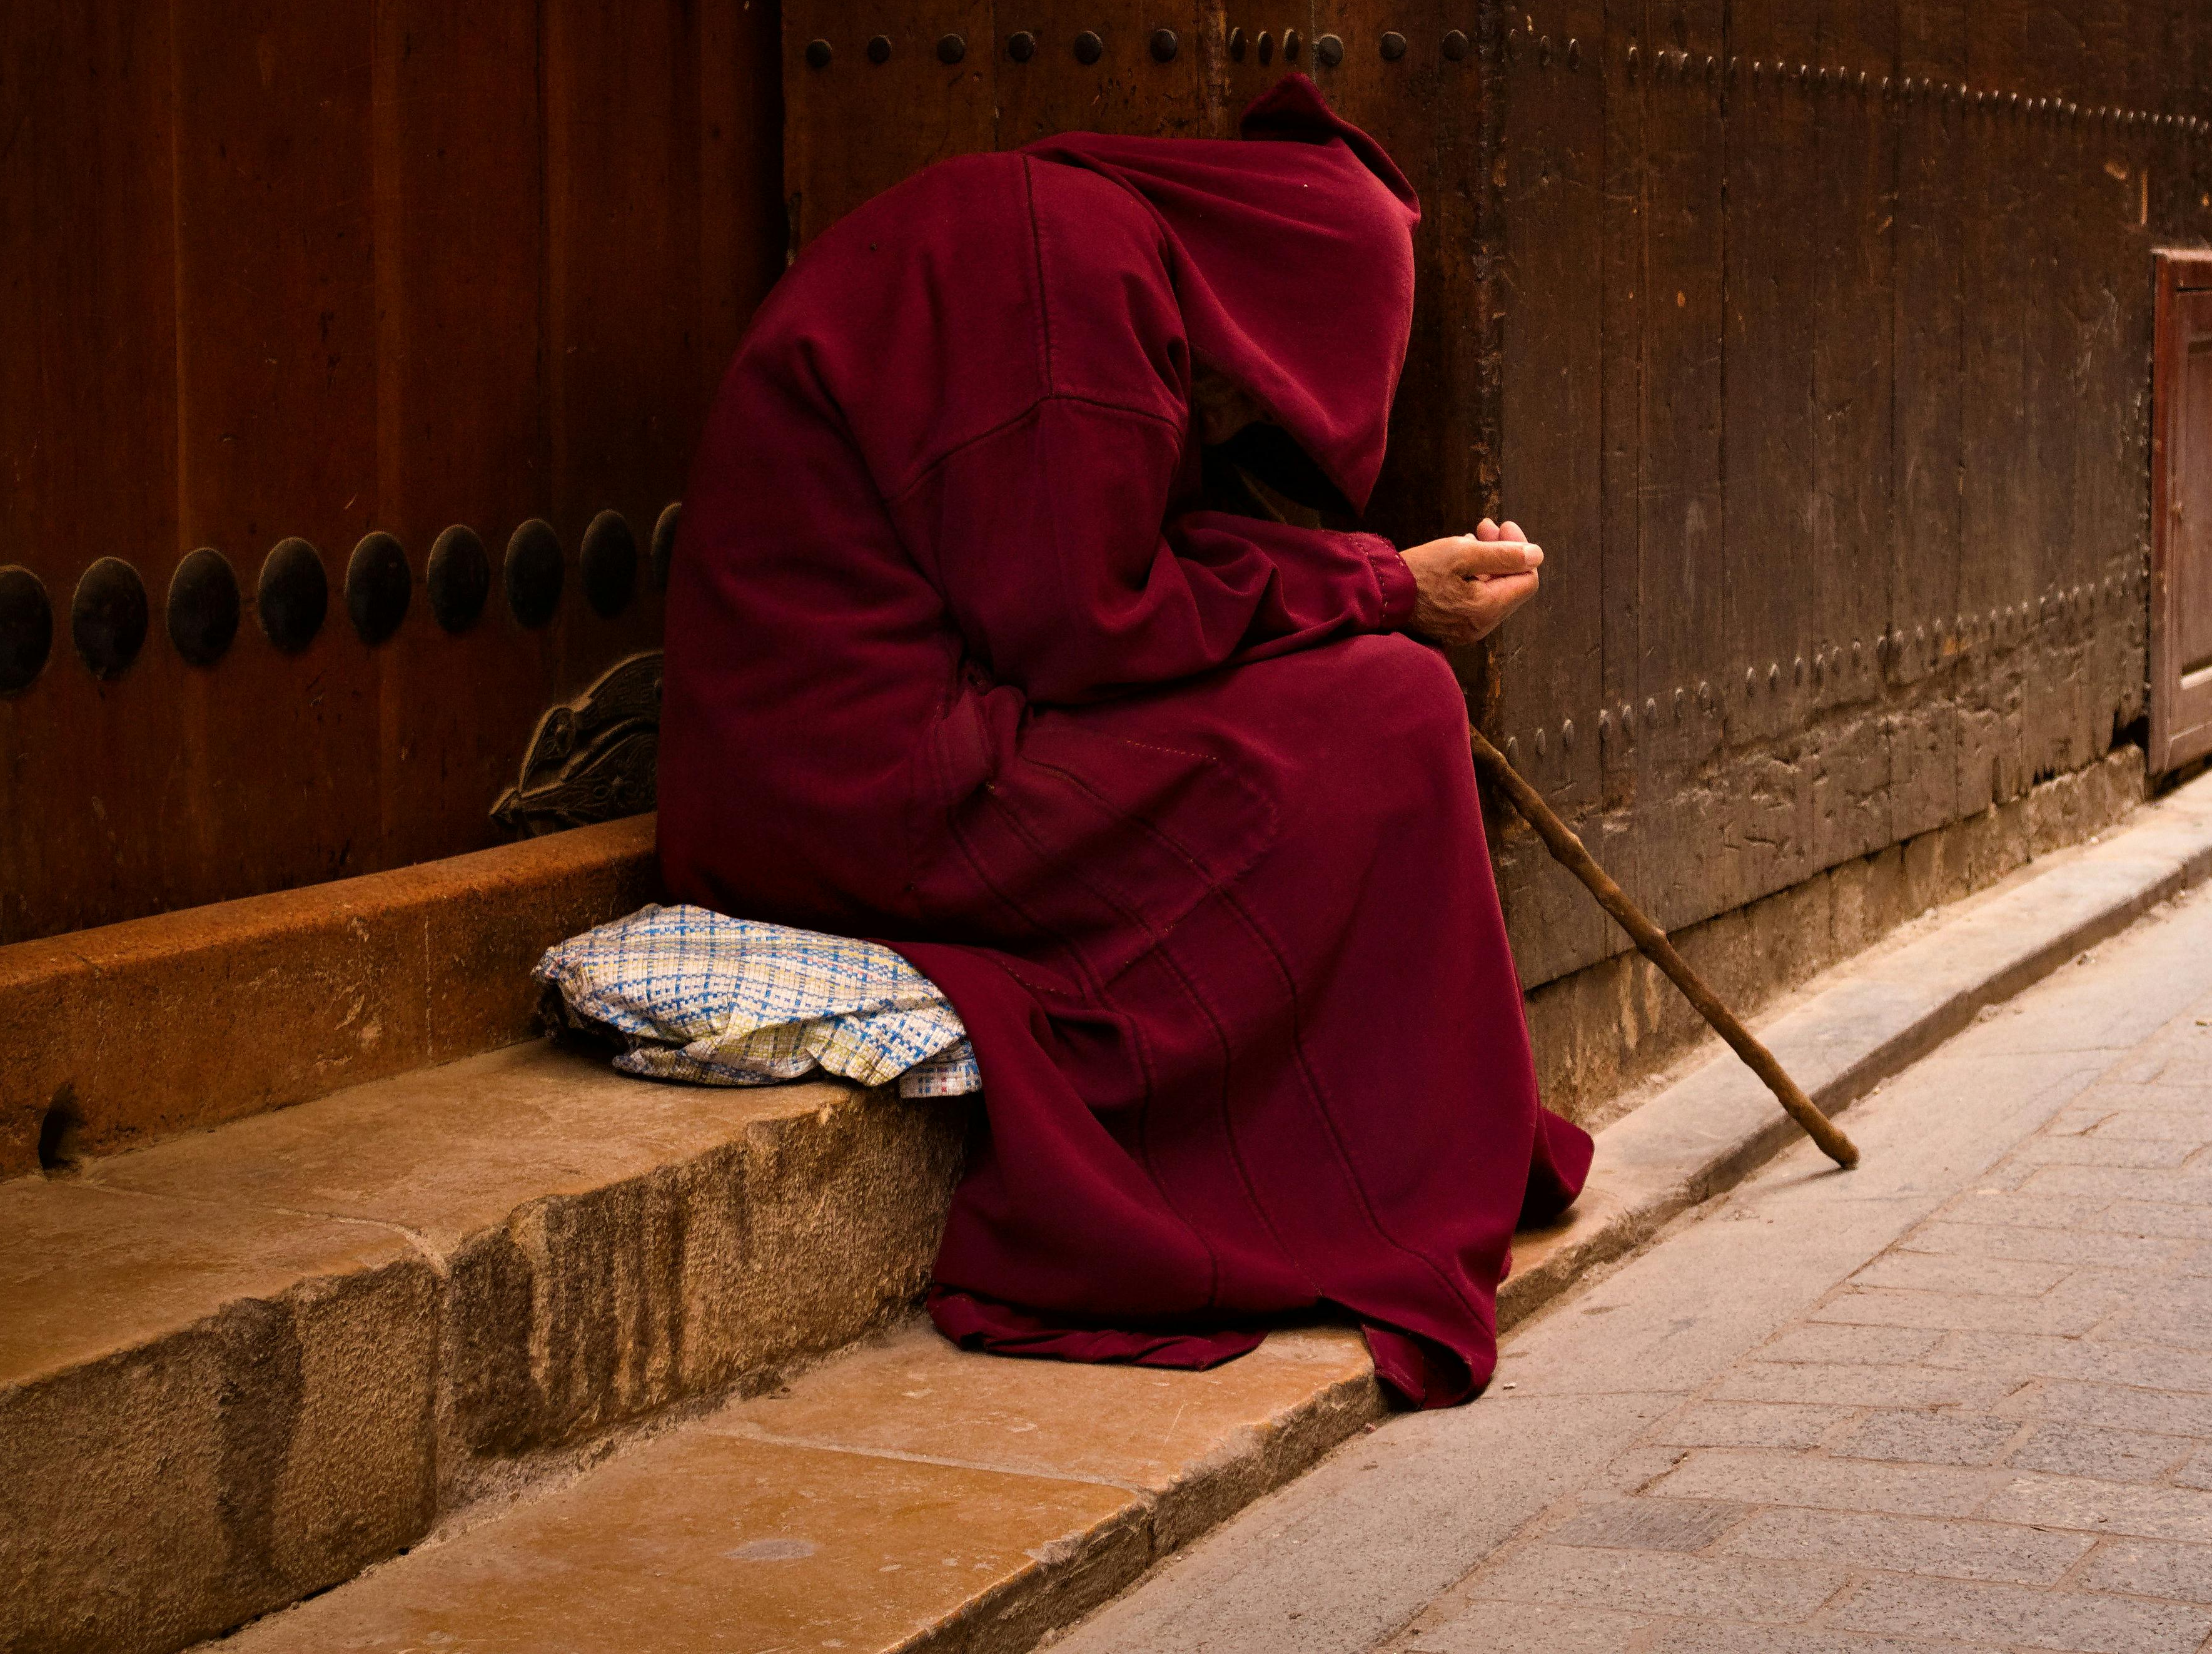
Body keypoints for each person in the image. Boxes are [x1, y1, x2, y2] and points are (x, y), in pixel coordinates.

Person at [655, 76, 1592, 1407]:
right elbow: (1085, 622)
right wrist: (1382, 590)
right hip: (866, 782)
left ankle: (1411, 1141)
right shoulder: (1070, 272)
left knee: (1372, 693)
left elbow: (1090, 561)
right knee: (1388, 708)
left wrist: (1371, 573)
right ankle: (1342, 1167)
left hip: (853, 750)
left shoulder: (1068, 236)